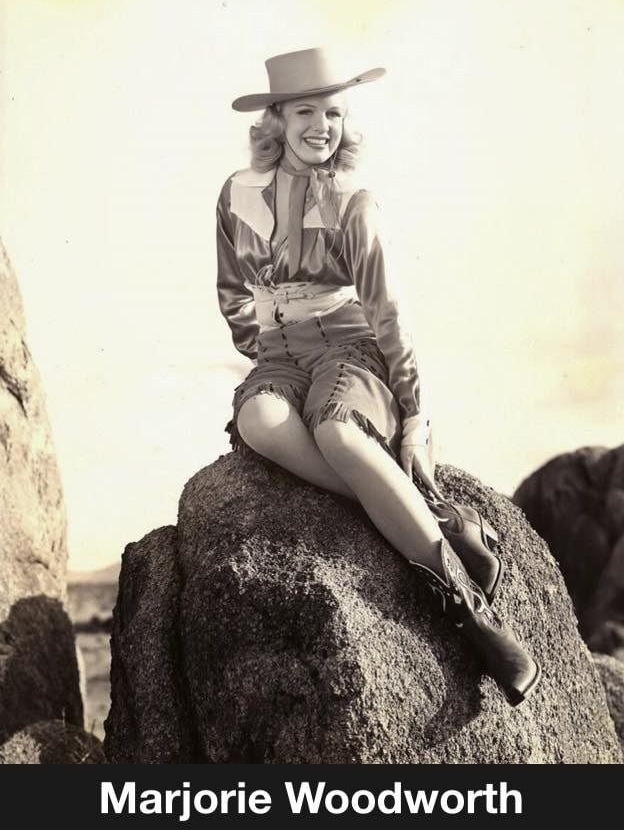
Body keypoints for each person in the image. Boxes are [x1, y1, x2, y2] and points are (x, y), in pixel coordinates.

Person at [216, 47, 540, 706]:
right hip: (279, 356)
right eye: (306, 112)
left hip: (349, 348)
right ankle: (440, 519)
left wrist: (414, 414)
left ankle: (471, 612)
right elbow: (232, 291)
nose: (321, 126)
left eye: (333, 113)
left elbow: (387, 311)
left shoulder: (353, 203)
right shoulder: (237, 195)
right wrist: (264, 346)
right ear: (276, 119)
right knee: (260, 421)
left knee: (338, 434)